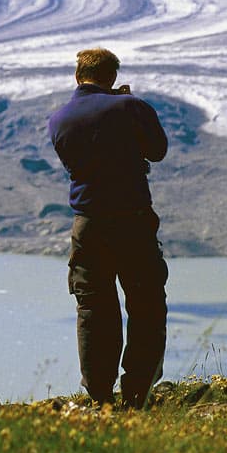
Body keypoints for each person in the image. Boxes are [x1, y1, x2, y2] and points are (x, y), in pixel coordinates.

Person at [47, 48, 169, 409]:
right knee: (146, 304)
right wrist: (126, 105)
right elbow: (157, 150)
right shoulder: (131, 107)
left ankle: (100, 395)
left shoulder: (59, 118)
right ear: (112, 77)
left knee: (94, 308)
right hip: (132, 220)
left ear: (77, 76)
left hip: (88, 224)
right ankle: (138, 393)